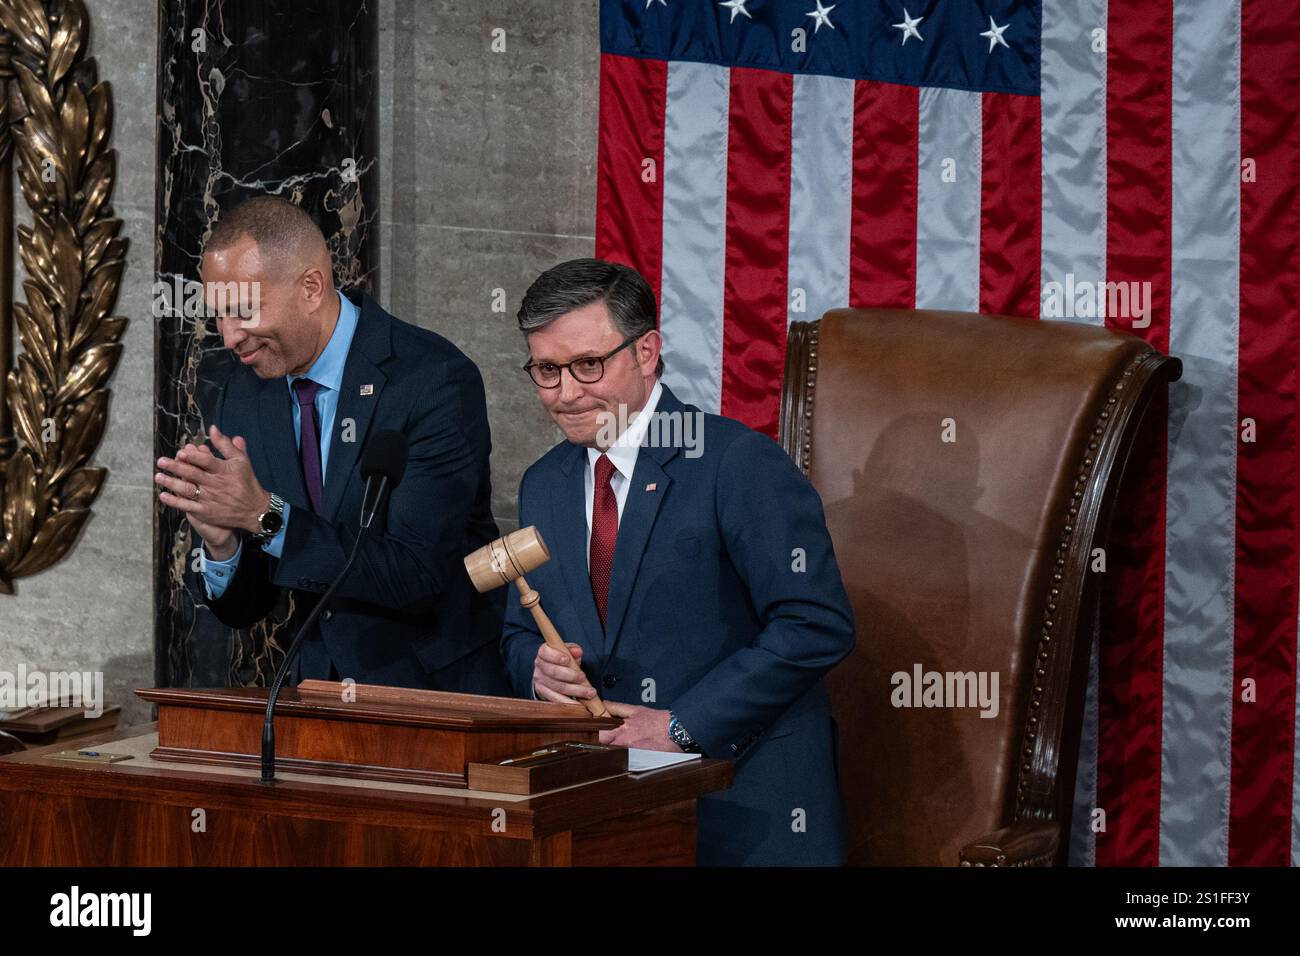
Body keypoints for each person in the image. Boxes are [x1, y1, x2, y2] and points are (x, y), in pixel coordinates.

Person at [501, 258, 856, 865]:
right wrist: (535, 669)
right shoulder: (543, 484)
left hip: (745, 812)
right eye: (546, 370)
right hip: (601, 817)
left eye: (588, 365)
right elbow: (515, 630)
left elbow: (815, 624)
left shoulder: (737, 463)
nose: (565, 393)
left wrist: (679, 726)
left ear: (647, 352)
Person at [155, 195, 507, 693]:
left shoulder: (433, 381)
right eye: (217, 316)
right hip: (315, 698)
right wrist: (223, 543)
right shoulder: (243, 392)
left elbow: (416, 572)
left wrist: (263, 516)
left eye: (242, 312)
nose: (228, 337)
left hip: (434, 694)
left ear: (311, 287)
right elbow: (247, 606)